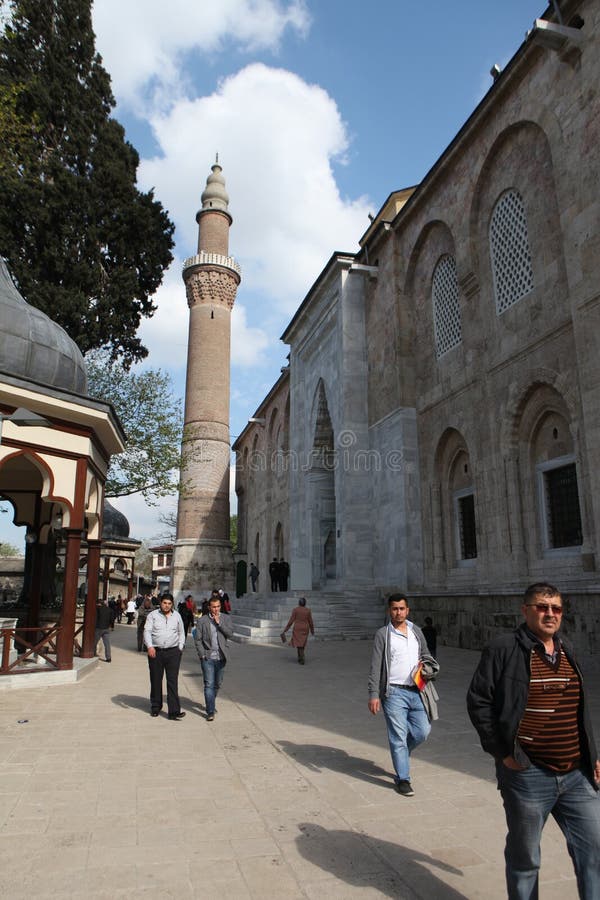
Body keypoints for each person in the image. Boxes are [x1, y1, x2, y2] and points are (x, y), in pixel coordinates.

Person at [467, 582, 600, 899]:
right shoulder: (503, 648)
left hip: (576, 774)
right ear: (525, 610)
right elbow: (478, 701)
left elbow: (578, 708)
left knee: (594, 848)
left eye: (556, 608)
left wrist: (592, 754)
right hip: (529, 775)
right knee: (525, 857)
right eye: (542, 606)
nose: (550, 613)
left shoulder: (567, 649)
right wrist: (503, 754)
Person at [368, 593, 439, 797]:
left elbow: (426, 653)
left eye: (402, 608)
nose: (398, 612)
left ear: (407, 610)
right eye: (394, 609)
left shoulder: (416, 630)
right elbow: (375, 666)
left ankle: (401, 753)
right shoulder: (383, 634)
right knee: (398, 736)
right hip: (394, 693)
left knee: (422, 731)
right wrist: (374, 694)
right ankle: (403, 778)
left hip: (418, 691)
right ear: (389, 611)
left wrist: (429, 666)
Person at [143, 593, 186, 720]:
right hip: (156, 652)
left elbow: (181, 633)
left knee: (172, 681)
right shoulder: (153, 615)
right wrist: (150, 646)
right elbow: (147, 631)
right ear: (160, 603)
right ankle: (156, 707)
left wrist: (180, 647)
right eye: (164, 603)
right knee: (156, 679)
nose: (166, 606)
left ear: (172, 604)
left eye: (169, 603)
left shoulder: (177, 616)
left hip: (173, 652)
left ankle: (174, 711)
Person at [194, 594, 234, 721]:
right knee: (209, 684)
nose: (216, 609)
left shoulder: (226, 618)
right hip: (208, 658)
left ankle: (210, 701)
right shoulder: (202, 621)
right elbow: (198, 640)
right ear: (209, 607)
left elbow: (230, 634)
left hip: (221, 657)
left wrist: (219, 624)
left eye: (218, 607)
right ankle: (210, 711)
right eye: (213, 607)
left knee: (218, 683)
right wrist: (202, 654)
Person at [281, 597, 314, 665]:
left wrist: (286, 629)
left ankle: (301, 658)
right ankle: (300, 657)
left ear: (299, 603)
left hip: (297, 628)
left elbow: (291, 621)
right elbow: (310, 621)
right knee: (302, 643)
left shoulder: (295, 610)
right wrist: (312, 630)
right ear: (305, 603)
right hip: (305, 628)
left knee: (299, 643)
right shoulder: (308, 610)